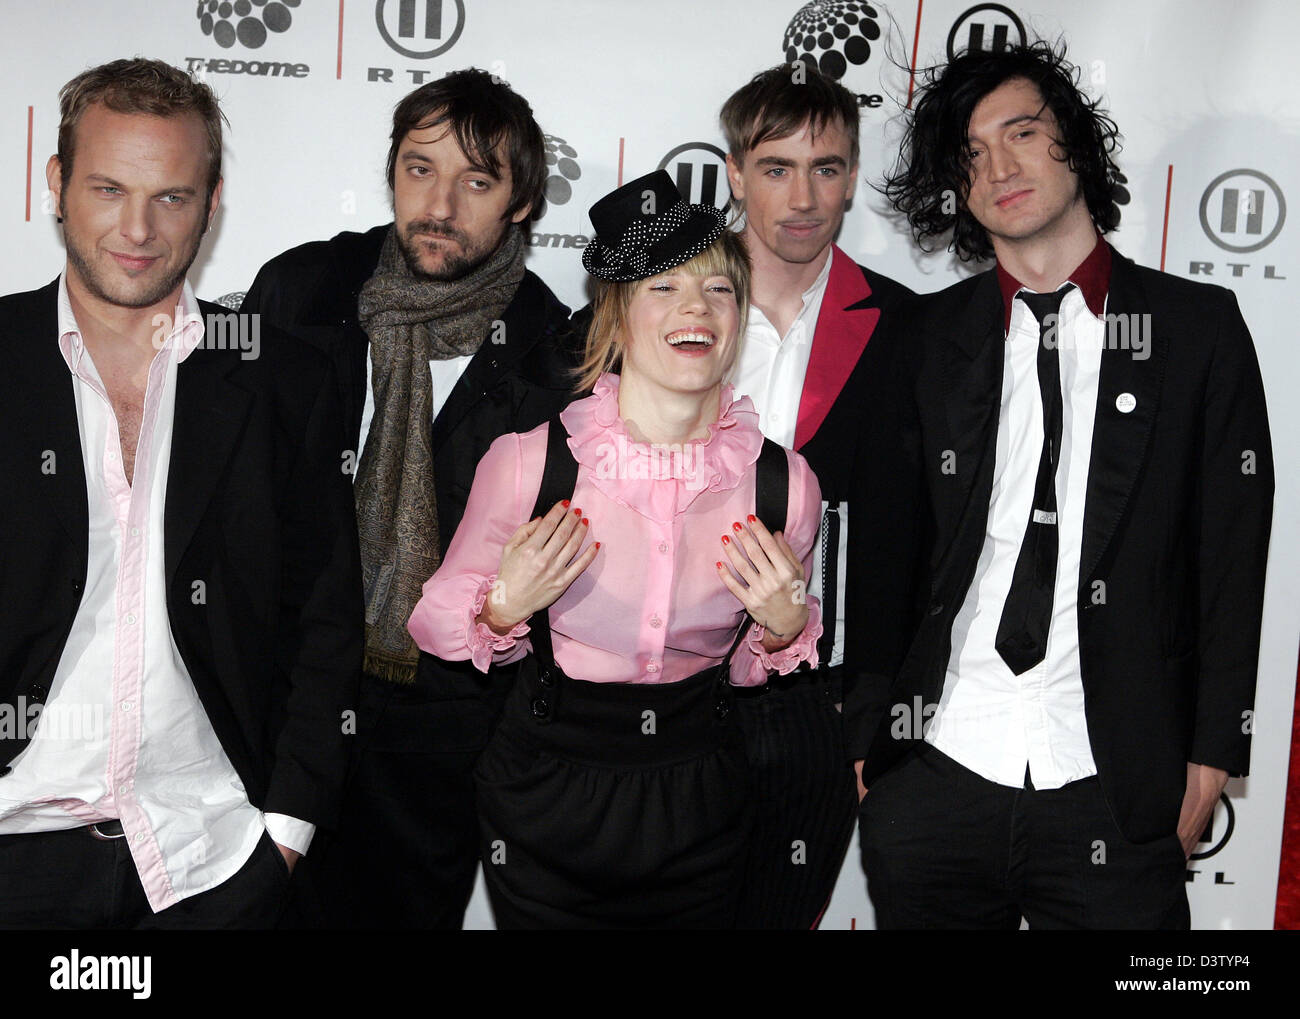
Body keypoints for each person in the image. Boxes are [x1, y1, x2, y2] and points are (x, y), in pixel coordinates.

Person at [849, 40, 1274, 928]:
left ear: (1073, 142)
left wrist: (1213, 747)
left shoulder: (1195, 329)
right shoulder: (924, 337)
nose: (999, 167)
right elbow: (888, 551)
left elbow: (1232, 555)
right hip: (938, 769)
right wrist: (867, 734)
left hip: (1116, 780)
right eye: (970, 157)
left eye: (1022, 132)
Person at [407, 170, 825, 928]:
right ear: (617, 316)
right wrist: (502, 606)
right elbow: (433, 622)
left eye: (719, 290)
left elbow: (746, 664)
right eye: (663, 288)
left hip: (702, 792)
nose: (696, 306)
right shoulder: (531, 464)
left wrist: (785, 625)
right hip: (547, 788)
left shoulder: (784, 487)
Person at [0, 58, 361, 928]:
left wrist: (286, 831)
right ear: (56, 183)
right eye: (109, 188)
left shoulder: (283, 379)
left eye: (171, 196)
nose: (138, 228)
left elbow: (325, 613)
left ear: (212, 200)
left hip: (213, 856)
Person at [241, 69, 579, 929]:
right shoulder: (303, 292)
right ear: (390, 171)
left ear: (521, 204)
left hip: (435, 730)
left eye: (477, 180)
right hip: (273, 698)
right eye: (420, 169)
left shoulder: (553, 354)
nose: (441, 203)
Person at [718, 63, 916, 928]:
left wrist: (874, 718)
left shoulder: (910, 331)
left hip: (819, 707)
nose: (803, 197)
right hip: (665, 692)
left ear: (852, 177)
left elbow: (915, 543)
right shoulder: (663, 310)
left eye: (826, 168)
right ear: (733, 174)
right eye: (775, 167)